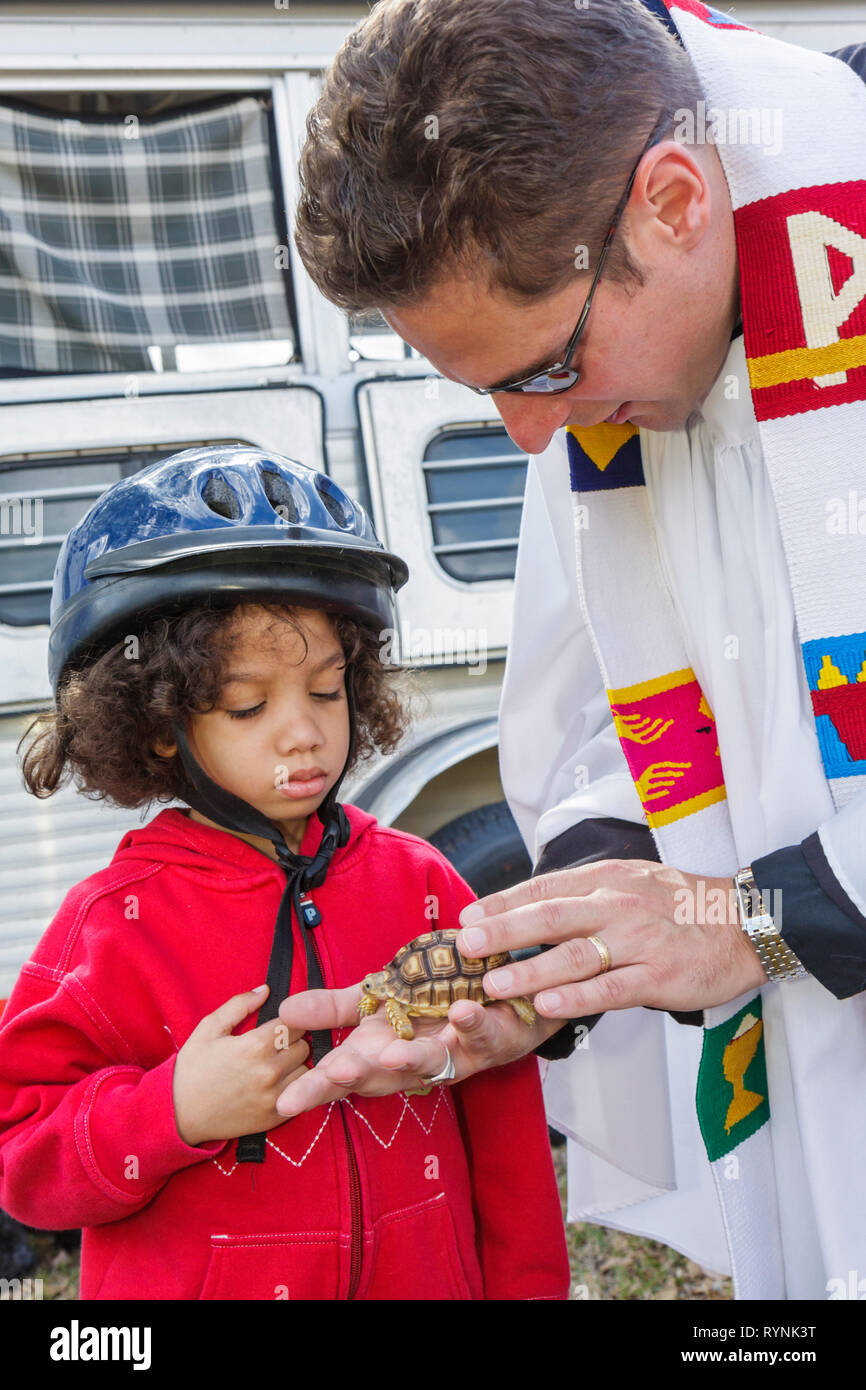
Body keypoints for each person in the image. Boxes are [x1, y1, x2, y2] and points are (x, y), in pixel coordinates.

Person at [274, 0, 866, 1298]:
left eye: (540, 370)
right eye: (482, 389)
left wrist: (765, 917)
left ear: (671, 201)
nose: (533, 441)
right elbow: (620, 712)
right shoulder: (613, 366)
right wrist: (565, 946)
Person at [0, 445, 569, 1301]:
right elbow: (24, 1159)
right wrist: (173, 1112)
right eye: (249, 705)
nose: (303, 733)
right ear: (158, 723)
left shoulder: (422, 883)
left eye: (328, 690)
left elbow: (505, 1123)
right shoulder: (109, 927)